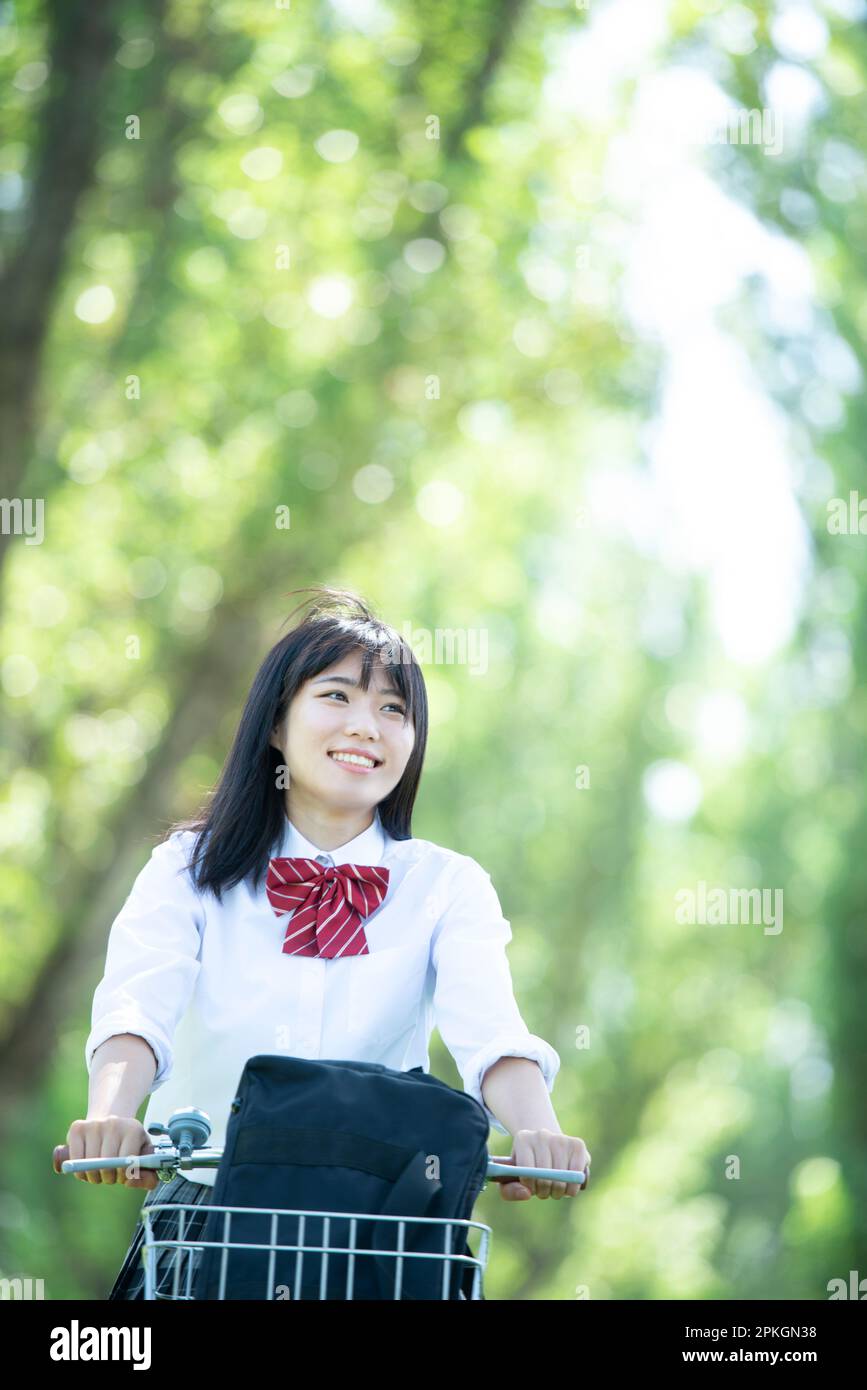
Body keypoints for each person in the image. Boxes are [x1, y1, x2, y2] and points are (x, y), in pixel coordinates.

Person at [67, 585, 591, 1298]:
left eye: (393, 709)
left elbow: (491, 1031)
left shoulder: (445, 885)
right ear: (277, 723)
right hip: (212, 1218)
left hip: (384, 1235)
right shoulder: (188, 867)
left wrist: (538, 1131)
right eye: (338, 696)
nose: (367, 726)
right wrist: (109, 1115)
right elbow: (138, 1007)